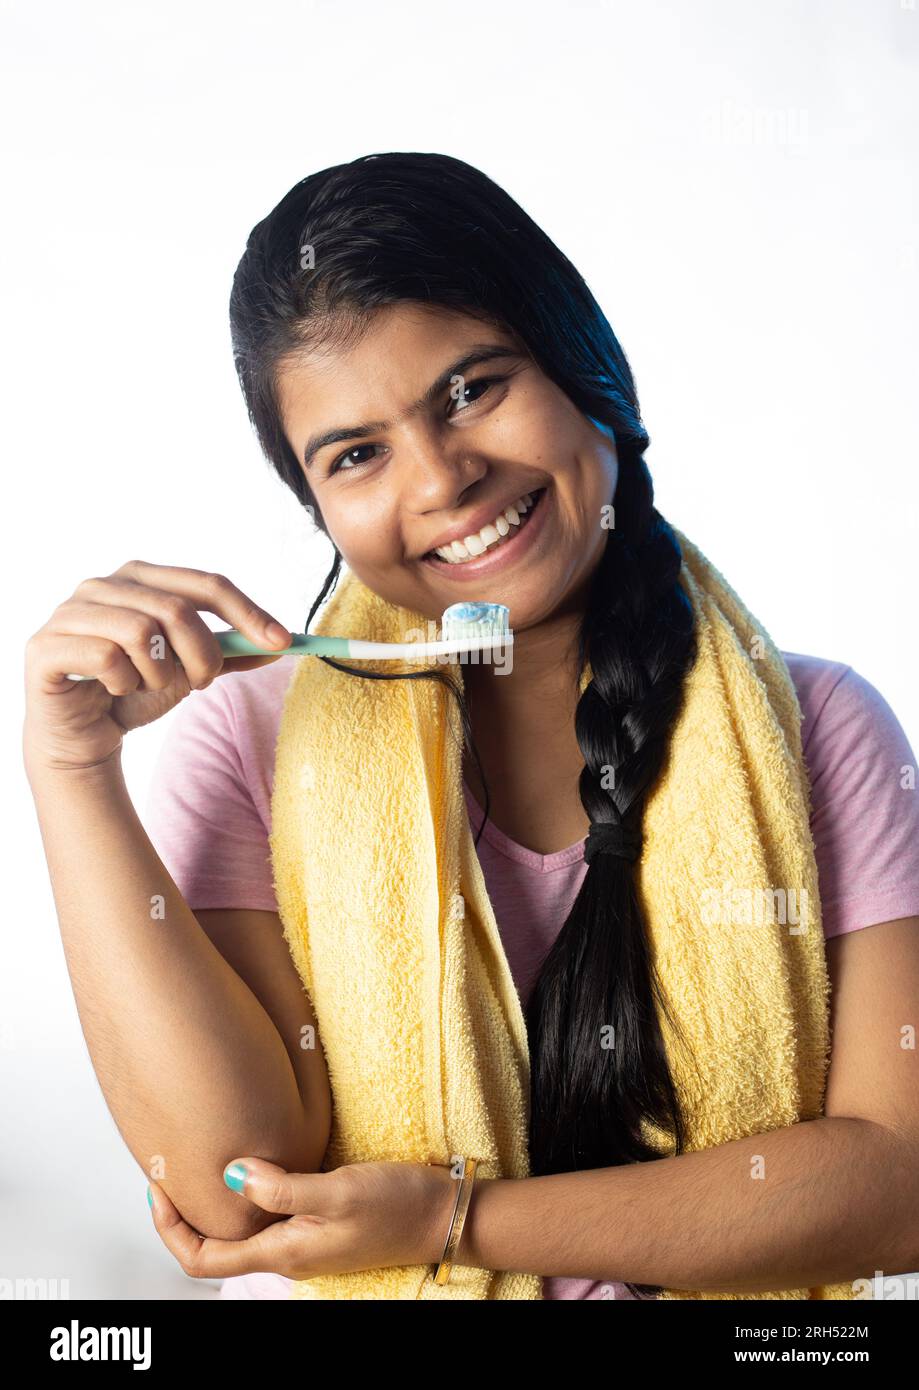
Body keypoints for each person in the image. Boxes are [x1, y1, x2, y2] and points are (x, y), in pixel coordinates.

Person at [24, 153, 919, 1301]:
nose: (442, 477)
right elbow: (236, 1183)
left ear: (586, 366)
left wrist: (461, 1219)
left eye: (472, 389)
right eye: (356, 455)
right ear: (320, 509)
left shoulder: (822, 733)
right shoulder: (255, 747)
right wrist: (69, 763)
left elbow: (895, 1184)